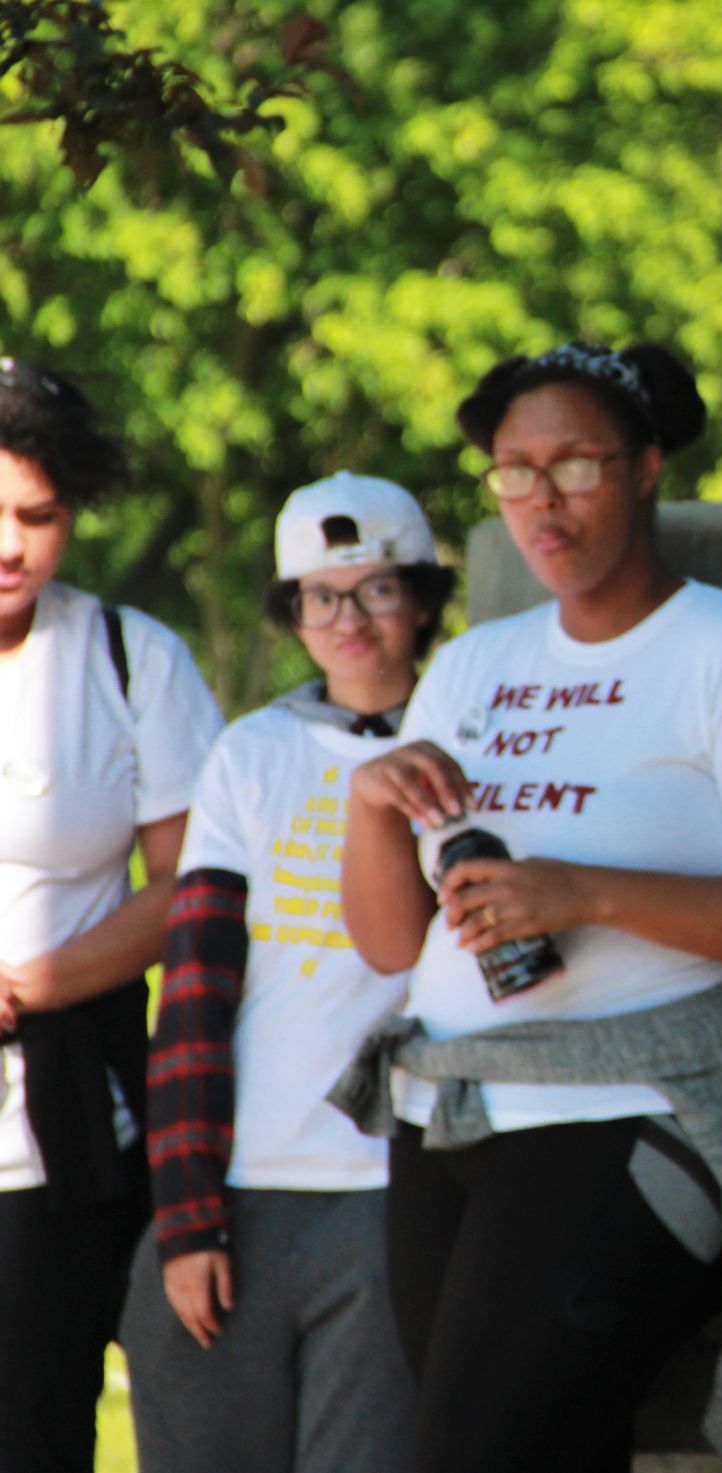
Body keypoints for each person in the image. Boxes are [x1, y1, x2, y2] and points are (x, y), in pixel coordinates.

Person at [332, 342, 722, 1473]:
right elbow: (394, 941)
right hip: (453, 1113)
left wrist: (583, 893)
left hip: (634, 1110)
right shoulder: (471, 666)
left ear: (642, 468)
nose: (541, 500)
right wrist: (369, 806)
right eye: (512, 472)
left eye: (576, 465)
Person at [121, 473, 454, 1472]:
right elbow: (192, 993)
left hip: (396, 1184)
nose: (346, 618)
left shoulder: (473, 734)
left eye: (375, 590)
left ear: (422, 598)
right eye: (319, 594)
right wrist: (185, 1220)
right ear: (292, 611)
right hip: (244, 1187)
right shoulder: (250, 753)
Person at [0, 357, 223, 1472]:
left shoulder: (133, 660)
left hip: (58, 1124)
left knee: (35, 1421)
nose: (9, 545)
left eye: (37, 517)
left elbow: (196, 887)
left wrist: (28, 985)